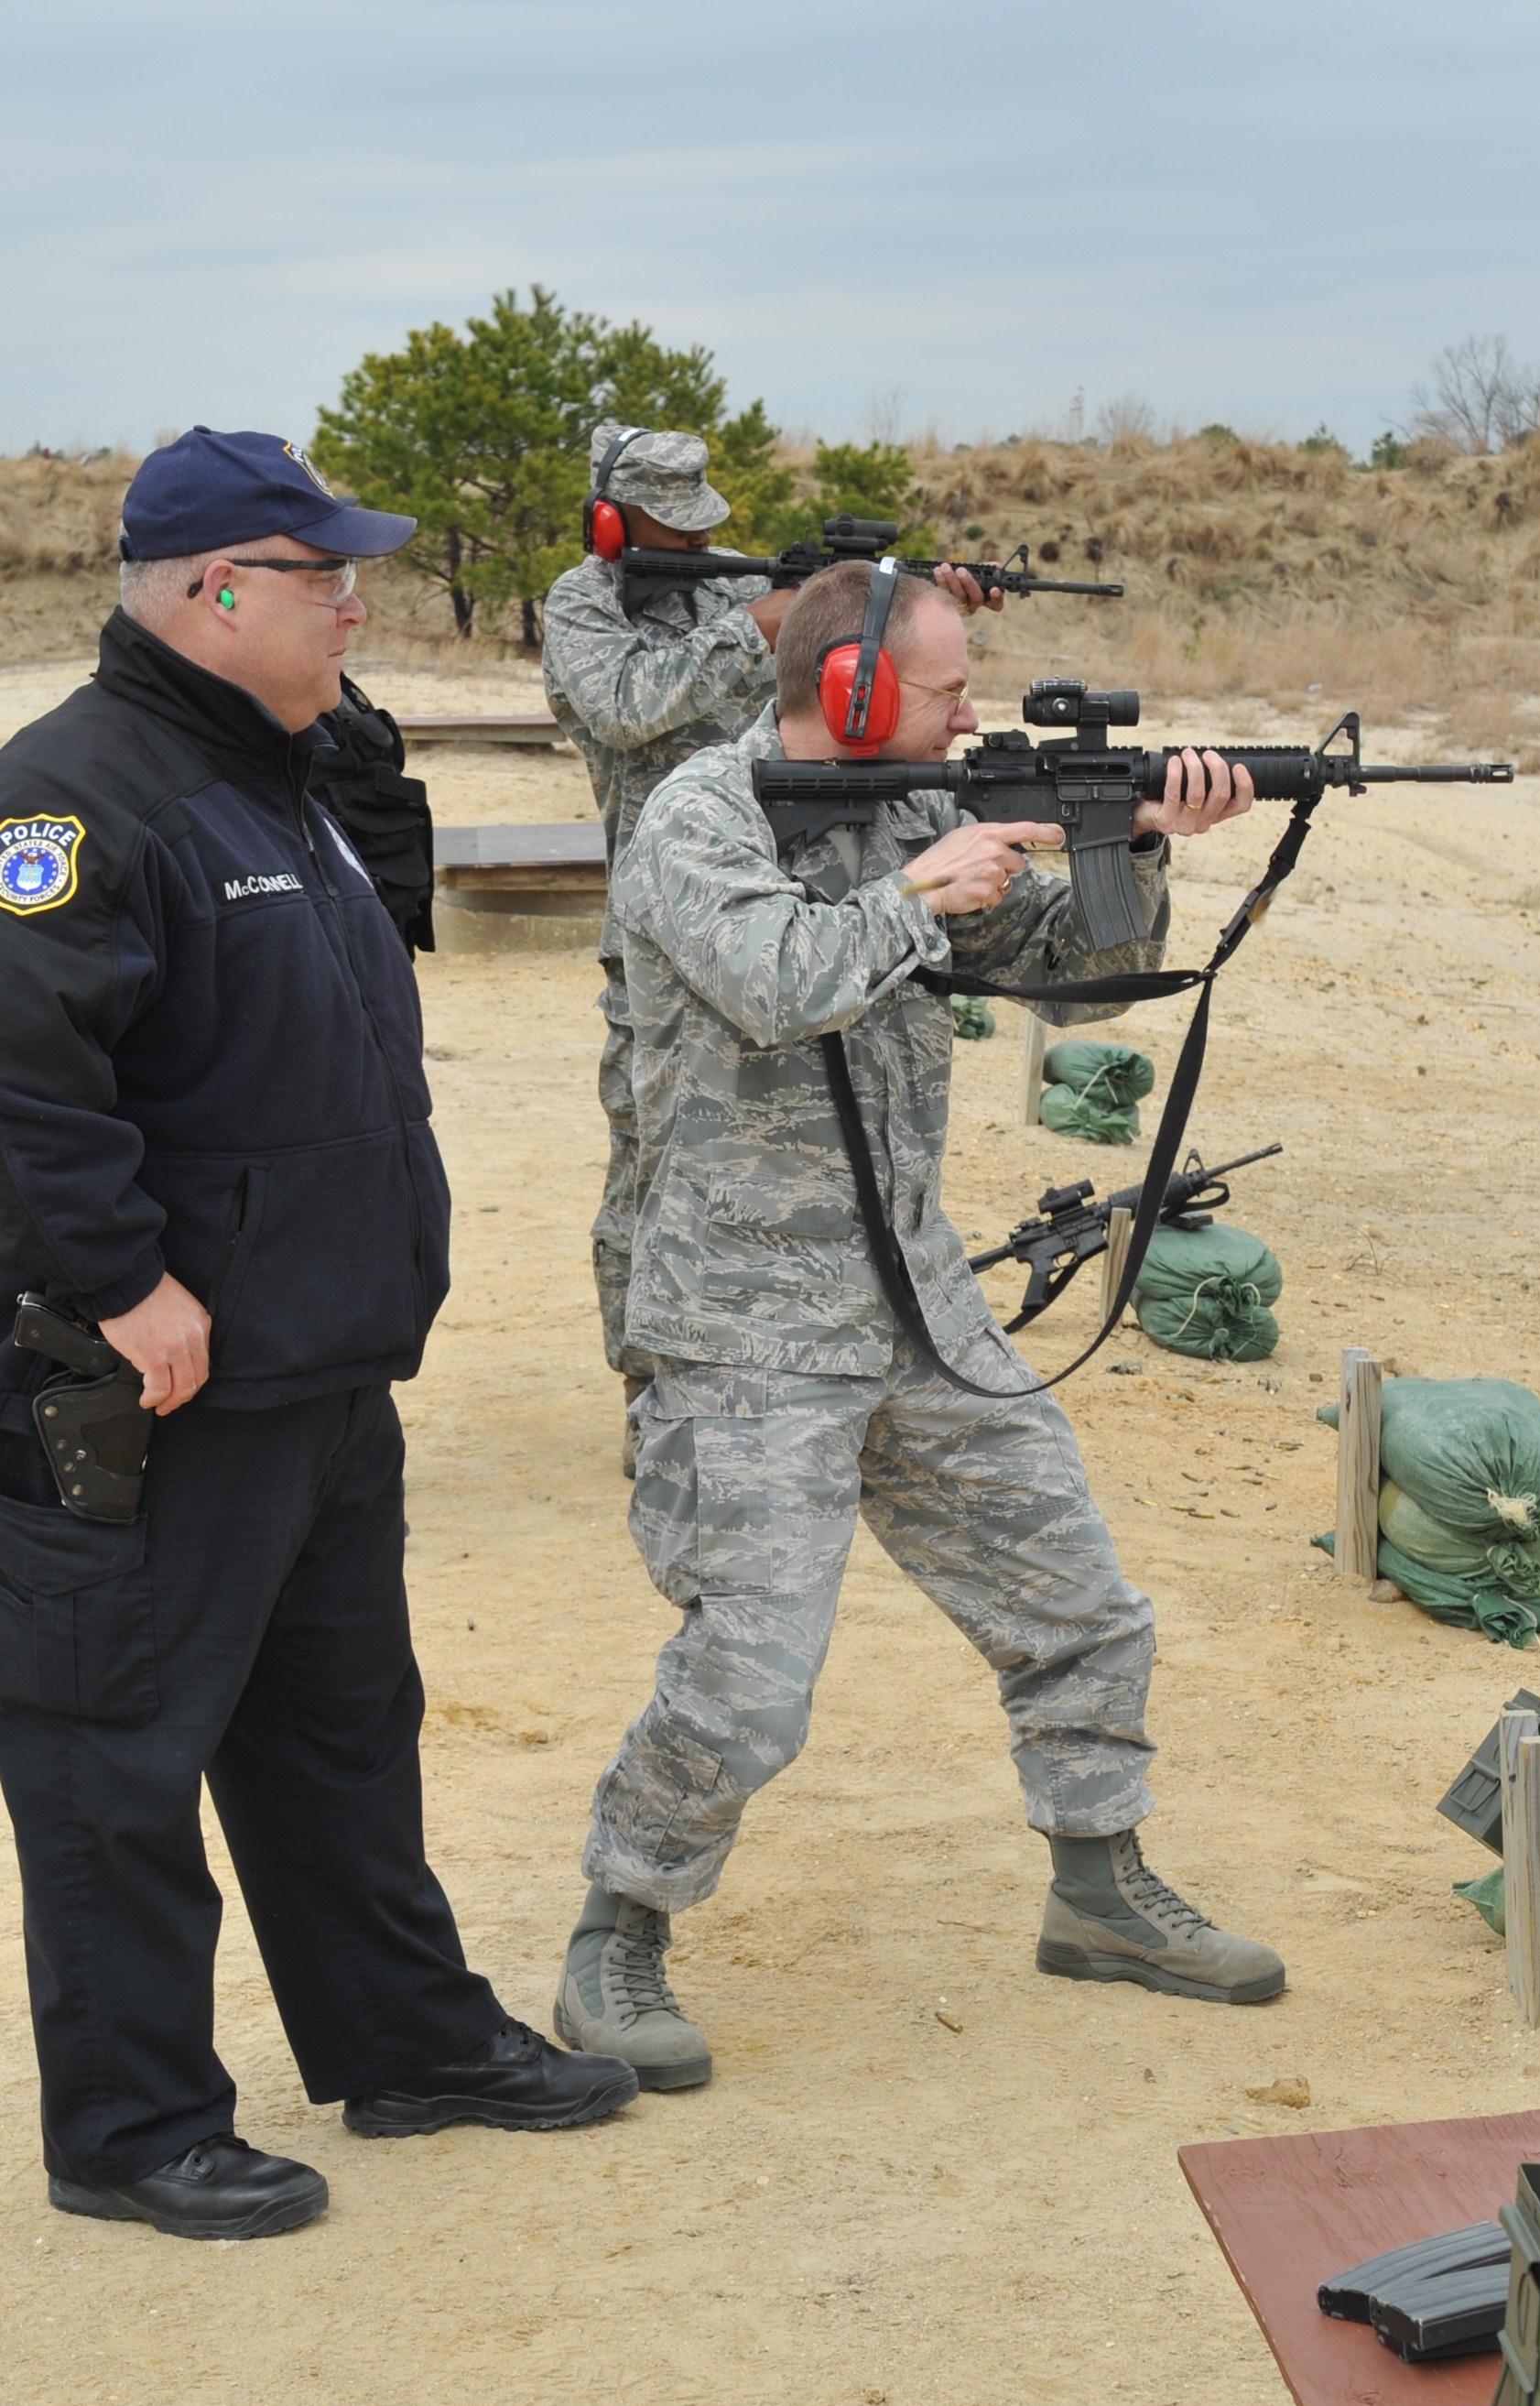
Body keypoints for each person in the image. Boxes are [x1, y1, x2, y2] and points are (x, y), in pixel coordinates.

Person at [0, 427, 636, 2244]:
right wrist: (121, 1280)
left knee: (342, 1731)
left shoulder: (281, 774)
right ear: (214, 592)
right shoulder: (72, 798)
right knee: (117, 1753)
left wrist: (358, 769)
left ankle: (405, 2039)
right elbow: (20, 1081)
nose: (358, 602)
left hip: (322, 1364)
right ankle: (132, 2125)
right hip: (153, 1380)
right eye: (323, 574)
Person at [551, 560, 1285, 2090]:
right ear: (852, 686)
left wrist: (1134, 843)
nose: (967, 719)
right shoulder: (697, 816)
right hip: (747, 1323)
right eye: (946, 692)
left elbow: (1070, 981)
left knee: (1078, 1599)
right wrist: (919, 890)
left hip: (914, 1296)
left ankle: (1098, 1887)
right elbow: (772, 979)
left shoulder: (910, 807)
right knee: (750, 1679)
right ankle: (619, 1923)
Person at [541, 427, 1002, 1466]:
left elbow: (826, 708)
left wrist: (896, 623)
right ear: (611, 521)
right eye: (668, 526)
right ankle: (655, 1389)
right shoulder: (584, 602)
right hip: (668, 913)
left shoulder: (726, 589)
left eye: (699, 523)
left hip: (808, 903)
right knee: (652, 1164)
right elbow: (624, 707)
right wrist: (760, 626)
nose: (694, 544)